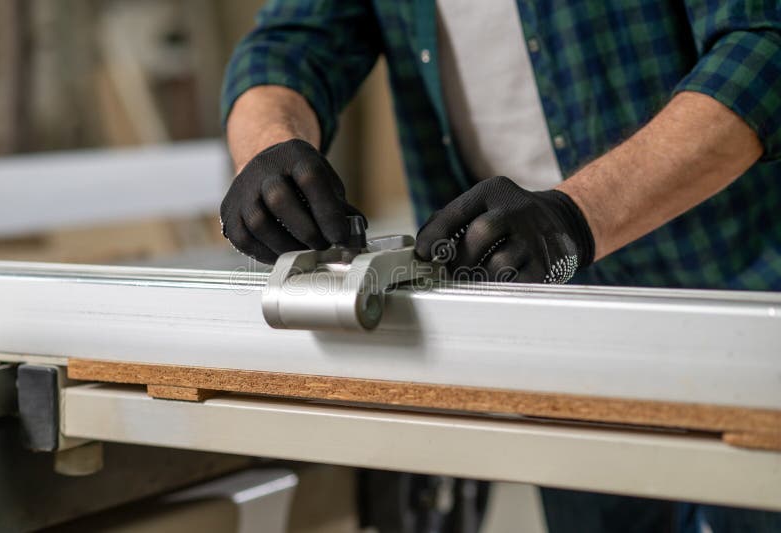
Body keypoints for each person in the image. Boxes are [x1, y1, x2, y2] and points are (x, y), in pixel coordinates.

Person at [219, 1, 781, 532]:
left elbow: (764, 49)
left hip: (745, 301)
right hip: (541, 312)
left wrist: (579, 214)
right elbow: (291, 42)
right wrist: (268, 146)